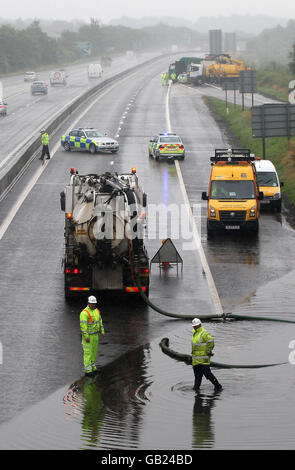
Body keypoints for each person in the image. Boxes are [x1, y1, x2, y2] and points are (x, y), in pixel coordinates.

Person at [191, 318, 222, 392]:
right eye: (194, 326)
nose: (195, 327)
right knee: (197, 376)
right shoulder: (194, 333)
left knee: (207, 374)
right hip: (195, 360)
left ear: (200, 325)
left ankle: (218, 386)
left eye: (196, 326)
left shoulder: (204, 333)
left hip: (204, 359)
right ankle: (196, 389)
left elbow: (211, 342)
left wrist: (208, 351)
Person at [80, 295, 105, 377]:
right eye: (92, 304)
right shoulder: (84, 313)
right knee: (88, 353)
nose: (93, 305)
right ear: (88, 303)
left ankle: (93, 368)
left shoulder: (96, 311)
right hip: (88, 336)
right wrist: (86, 336)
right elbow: (83, 327)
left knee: (94, 352)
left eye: (94, 304)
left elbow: (100, 321)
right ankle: (88, 371)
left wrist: (102, 331)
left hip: (95, 335)